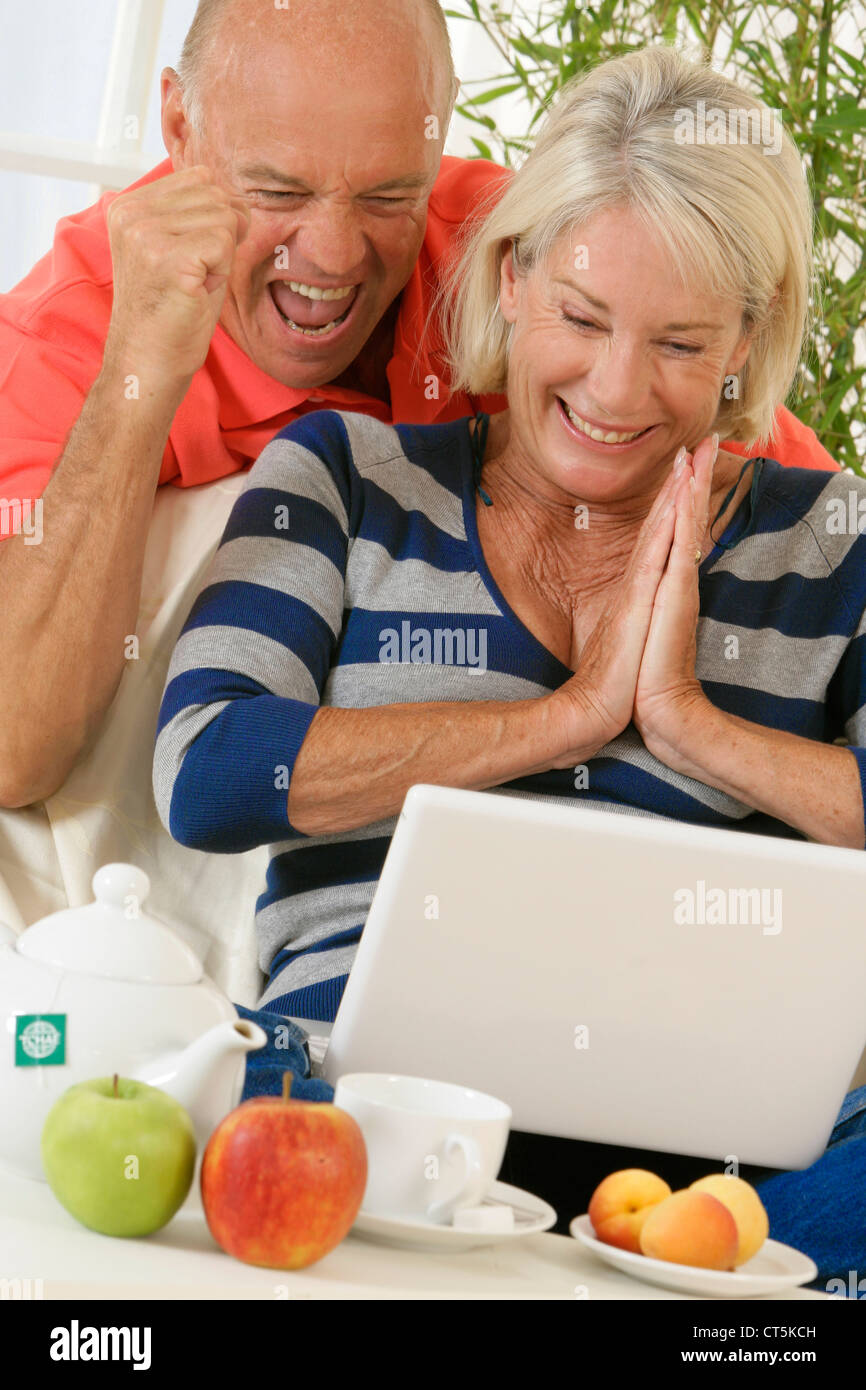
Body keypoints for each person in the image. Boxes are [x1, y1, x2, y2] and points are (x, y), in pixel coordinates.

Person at [153, 46, 866, 1284]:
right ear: (511, 278)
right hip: (364, 1106)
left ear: (748, 340)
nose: (613, 389)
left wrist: (690, 724)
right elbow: (209, 771)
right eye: (581, 319)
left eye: (680, 345)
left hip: (719, 1160)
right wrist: (573, 715)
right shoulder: (344, 478)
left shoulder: (832, 536)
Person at [0, 0, 835, 811]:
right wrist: (137, 374)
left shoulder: (524, 250)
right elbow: (14, 754)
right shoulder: (75, 323)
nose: (330, 254)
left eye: (386, 196)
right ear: (180, 129)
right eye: (277, 191)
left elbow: (777, 488)